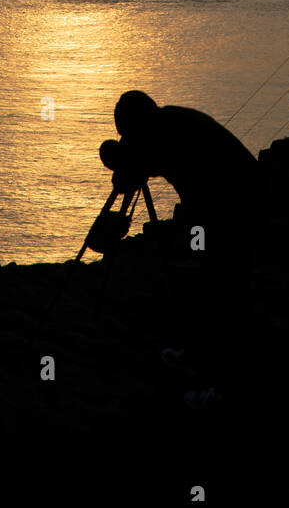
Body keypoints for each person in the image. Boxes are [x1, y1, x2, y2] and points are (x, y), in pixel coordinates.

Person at [99, 90, 259, 398]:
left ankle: (220, 379)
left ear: (136, 125)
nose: (126, 139)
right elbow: (138, 165)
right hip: (231, 200)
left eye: (127, 133)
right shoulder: (170, 121)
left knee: (221, 284)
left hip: (231, 206)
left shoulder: (164, 134)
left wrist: (118, 158)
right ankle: (206, 357)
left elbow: (130, 175)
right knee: (220, 281)